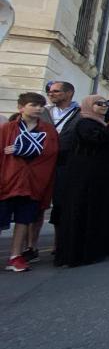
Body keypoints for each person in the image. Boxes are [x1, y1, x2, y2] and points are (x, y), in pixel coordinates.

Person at [53, 95, 109, 267]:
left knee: (95, 212)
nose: (104, 106)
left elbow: (107, 136)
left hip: (98, 175)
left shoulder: (99, 122)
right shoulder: (84, 123)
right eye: (99, 104)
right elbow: (99, 139)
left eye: (106, 104)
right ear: (89, 105)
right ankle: (76, 253)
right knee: (82, 211)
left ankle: (93, 250)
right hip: (84, 176)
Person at [1, 93, 59, 272]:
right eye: (33, 105)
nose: (38, 108)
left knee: (24, 220)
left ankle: (15, 255)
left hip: (32, 183)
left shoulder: (48, 130)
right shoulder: (8, 128)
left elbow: (51, 152)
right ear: (21, 107)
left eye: (41, 105)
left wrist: (23, 149)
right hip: (8, 180)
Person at [39, 80, 81, 261]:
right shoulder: (43, 112)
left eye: (56, 91)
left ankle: (59, 242)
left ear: (68, 93)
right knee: (36, 205)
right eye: (50, 91)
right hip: (41, 163)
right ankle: (30, 246)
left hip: (65, 164)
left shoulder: (79, 113)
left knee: (61, 204)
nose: (51, 93)